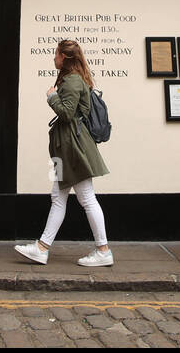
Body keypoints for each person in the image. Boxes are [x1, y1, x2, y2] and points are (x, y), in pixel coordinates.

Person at [15, 38, 113, 267]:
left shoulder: (71, 82)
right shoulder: (74, 80)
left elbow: (67, 114)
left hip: (72, 149)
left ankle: (103, 250)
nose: (53, 57)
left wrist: (51, 96)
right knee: (58, 196)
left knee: (86, 198)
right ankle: (42, 247)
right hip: (65, 148)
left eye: (56, 54)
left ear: (65, 57)